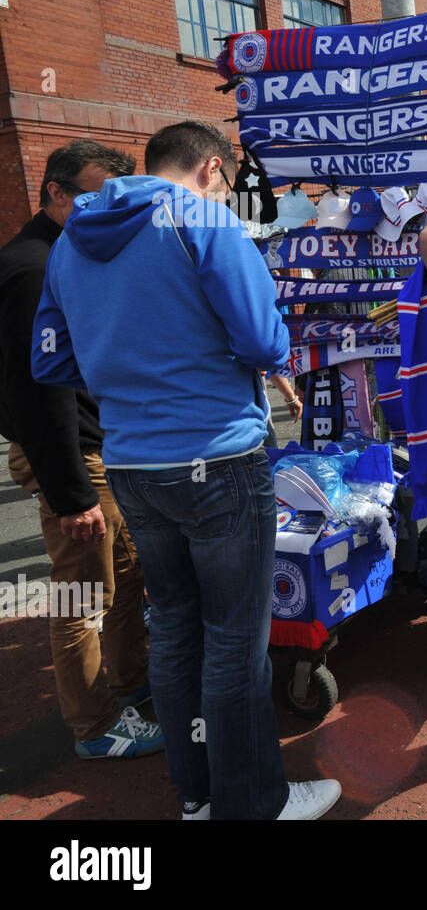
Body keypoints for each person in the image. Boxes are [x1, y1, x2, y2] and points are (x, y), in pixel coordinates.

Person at [32, 122, 340, 821]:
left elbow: (49, 360)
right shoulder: (205, 222)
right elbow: (263, 341)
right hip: (218, 456)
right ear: (211, 169)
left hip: (132, 462)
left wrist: (127, 373)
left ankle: (199, 795)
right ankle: (253, 803)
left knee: (172, 626)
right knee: (235, 639)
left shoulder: (70, 241)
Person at [0, 140, 161, 761]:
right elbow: (36, 389)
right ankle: (94, 726)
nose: (104, 207)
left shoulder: (66, 251)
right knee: (82, 591)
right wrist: (69, 491)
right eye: (90, 195)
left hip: (93, 444)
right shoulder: (34, 268)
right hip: (71, 454)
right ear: (56, 194)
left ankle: (129, 683)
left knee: (123, 575)